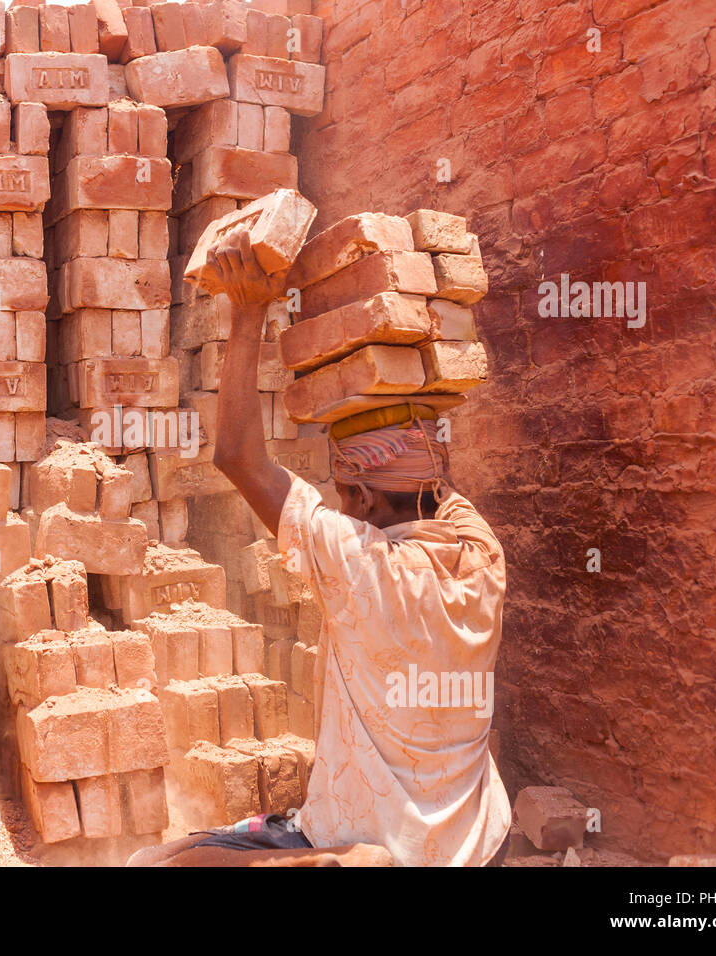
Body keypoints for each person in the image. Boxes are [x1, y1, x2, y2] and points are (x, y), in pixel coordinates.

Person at [130, 230, 511, 867]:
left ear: (360, 498)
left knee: (159, 863)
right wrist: (402, 371)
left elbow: (237, 458)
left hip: (374, 839)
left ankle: (340, 860)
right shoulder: (482, 554)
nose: (334, 504)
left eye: (339, 490)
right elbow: (434, 478)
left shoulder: (361, 563)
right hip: (477, 846)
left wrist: (249, 310)